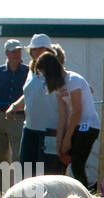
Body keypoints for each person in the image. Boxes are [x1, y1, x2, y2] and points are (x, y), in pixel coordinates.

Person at [33, 53, 99, 189]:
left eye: (45, 75)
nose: (45, 79)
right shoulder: (59, 86)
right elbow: (63, 115)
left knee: (77, 165)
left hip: (88, 127)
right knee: (59, 162)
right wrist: (59, 141)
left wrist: (67, 139)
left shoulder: (74, 80)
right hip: (74, 126)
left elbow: (77, 112)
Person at [7, 33, 59, 177]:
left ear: (48, 50)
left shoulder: (58, 70)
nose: (34, 52)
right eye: (33, 49)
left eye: (38, 49)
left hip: (50, 131)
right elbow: (29, 94)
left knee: (48, 172)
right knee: (27, 172)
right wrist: (14, 106)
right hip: (29, 128)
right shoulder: (31, 70)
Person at [0, 39, 28, 165]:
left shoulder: (28, 72)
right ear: (6, 53)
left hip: (18, 116)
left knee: (17, 153)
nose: (17, 54)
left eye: (19, 51)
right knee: (1, 153)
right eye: (13, 51)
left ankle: (18, 182)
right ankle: (2, 183)